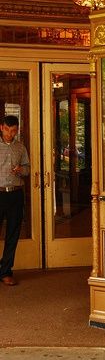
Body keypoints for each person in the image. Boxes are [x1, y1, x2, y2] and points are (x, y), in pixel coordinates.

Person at [0, 115, 30, 286]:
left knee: (13, 234)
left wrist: (21, 170)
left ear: (17, 130)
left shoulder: (20, 147)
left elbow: (27, 169)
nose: (10, 134)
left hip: (15, 195)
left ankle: (6, 271)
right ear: (1, 127)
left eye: (13, 131)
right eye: (7, 130)